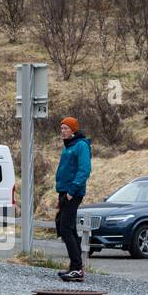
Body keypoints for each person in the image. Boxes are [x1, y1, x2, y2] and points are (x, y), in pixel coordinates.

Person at [55, 116, 92, 282]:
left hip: (73, 192)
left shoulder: (81, 145)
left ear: (73, 130)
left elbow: (84, 170)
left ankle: (77, 268)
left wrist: (71, 191)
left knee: (65, 228)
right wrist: (62, 194)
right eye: (61, 128)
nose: (62, 131)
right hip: (64, 192)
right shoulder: (68, 146)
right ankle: (76, 267)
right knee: (64, 226)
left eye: (66, 128)